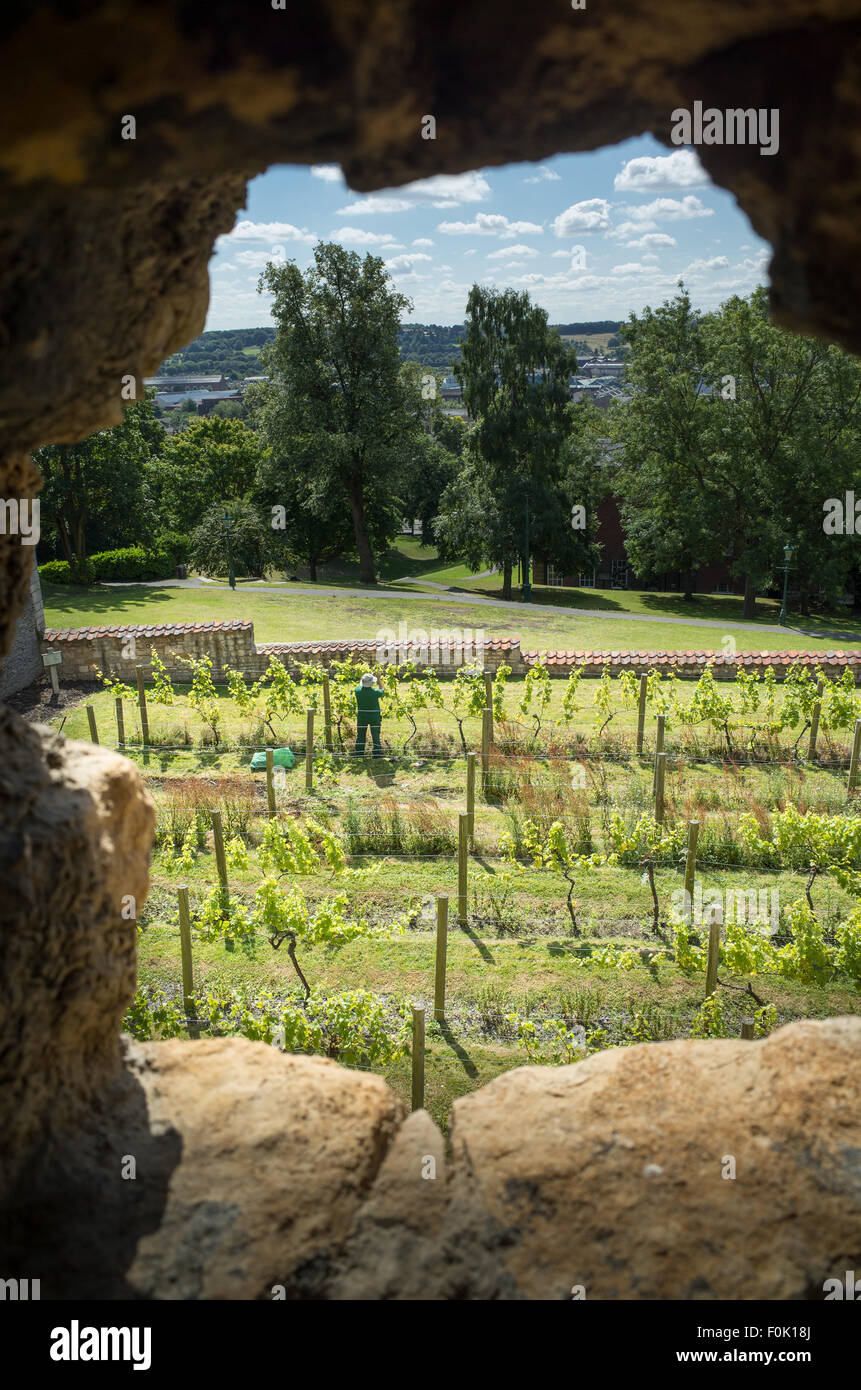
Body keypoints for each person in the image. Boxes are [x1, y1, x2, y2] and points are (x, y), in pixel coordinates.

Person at [354, 671, 387, 757]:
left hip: (362, 717)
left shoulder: (357, 691)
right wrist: (379, 679)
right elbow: (382, 689)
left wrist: (369, 677)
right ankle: (377, 754)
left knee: (360, 736)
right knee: (375, 736)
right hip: (374, 717)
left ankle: (359, 754)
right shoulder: (375, 693)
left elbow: (360, 686)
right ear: (372, 683)